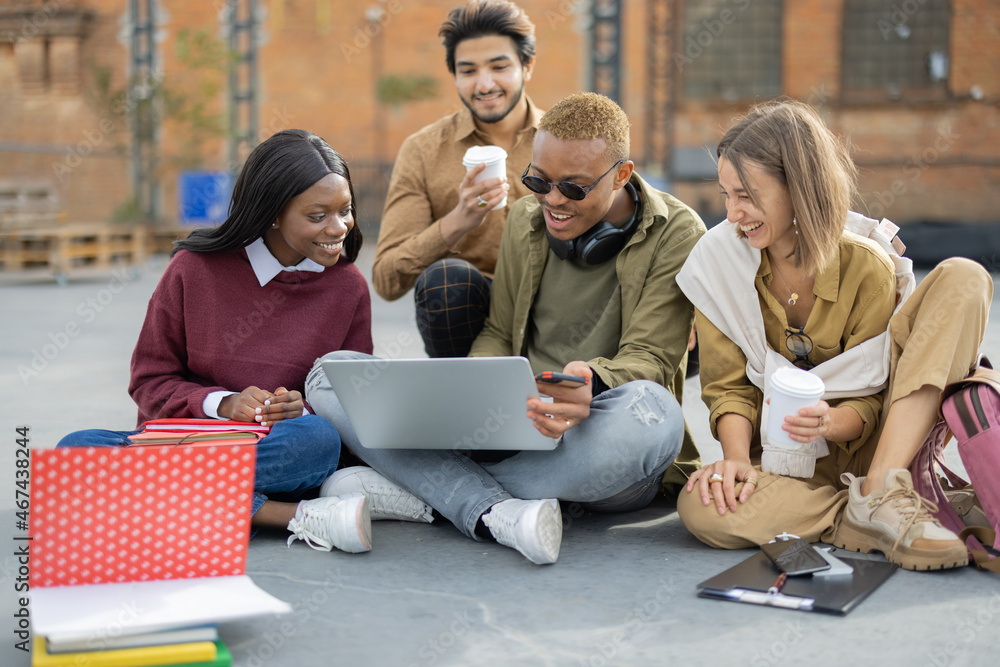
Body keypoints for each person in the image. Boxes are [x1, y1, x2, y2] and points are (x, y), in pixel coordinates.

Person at [307, 92, 707, 564]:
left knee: (655, 415)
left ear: (621, 175)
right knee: (328, 373)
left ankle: (430, 491)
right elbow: (498, 331)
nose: (553, 200)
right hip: (509, 432)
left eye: (574, 188)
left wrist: (591, 382)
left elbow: (653, 360)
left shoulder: (678, 232)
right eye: (538, 180)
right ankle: (488, 504)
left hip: (595, 436)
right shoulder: (524, 217)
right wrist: (476, 391)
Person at [675, 99, 993, 571]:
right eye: (726, 194)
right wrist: (737, 460)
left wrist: (830, 422)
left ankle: (885, 491)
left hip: (878, 447)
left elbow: (872, 390)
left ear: (797, 189)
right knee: (701, 506)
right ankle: (876, 515)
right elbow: (727, 389)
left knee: (965, 276)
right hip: (785, 467)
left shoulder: (867, 266)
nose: (732, 213)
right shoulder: (717, 262)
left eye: (747, 195)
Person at [57, 129, 377, 555]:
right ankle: (288, 515)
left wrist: (303, 406)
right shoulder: (194, 270)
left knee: (317, 439)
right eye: (318, 216)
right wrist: (222, 404)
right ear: (273, 214)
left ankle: (146, 499)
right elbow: (149, 381)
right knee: (75, 449)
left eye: (346, 210)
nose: (339, 228)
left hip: (277, 451)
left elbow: (355, 400)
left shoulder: (348, 288)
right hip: (189, 438)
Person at [372, 0, 542, 358]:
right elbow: (387, 279)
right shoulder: (424, 150)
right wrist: (457, 222)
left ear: (527, 67)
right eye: (468, 71)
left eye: (499, 67)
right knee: (447, 278)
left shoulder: (565, 140)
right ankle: (463, 397)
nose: (484, 84)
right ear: (454, 76)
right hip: (466, 319)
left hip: (554, 308)